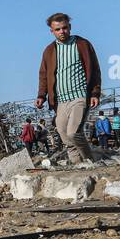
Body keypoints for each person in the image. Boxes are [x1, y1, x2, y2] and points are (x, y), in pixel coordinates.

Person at [35, 13, 101, 164]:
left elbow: (95, 70)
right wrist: (41, 96)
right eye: (57, 29)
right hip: (60, 101)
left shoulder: (82, 44)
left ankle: (90, 162)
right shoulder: (49, 50)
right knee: (65, 136)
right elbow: (44, 75)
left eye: (64, 28)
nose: (62, 31)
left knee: (73, 133)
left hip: (80, 97)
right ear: (52, 31)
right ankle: (79, 168)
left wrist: (95, 93)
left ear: (69, 27)